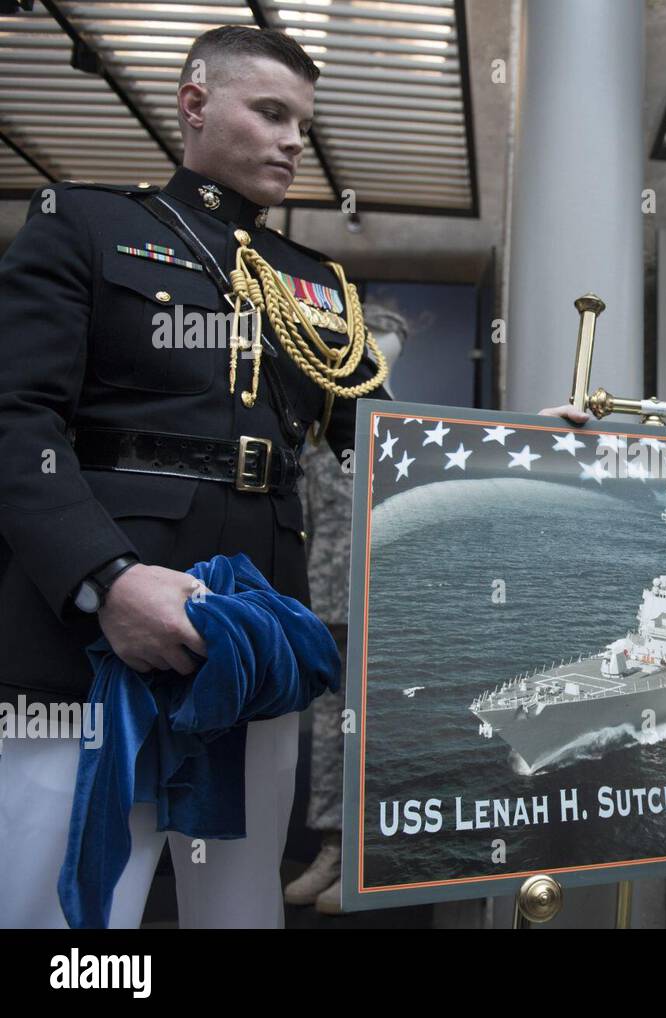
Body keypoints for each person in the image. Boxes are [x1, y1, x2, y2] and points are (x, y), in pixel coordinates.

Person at [0, 25, 388, 928]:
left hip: (257, 633)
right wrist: (107, 583)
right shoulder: (89, 224)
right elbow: (16, 418)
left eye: (304, 121)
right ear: (194, 103)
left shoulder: (314, 283)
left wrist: (542, 436)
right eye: (271, 112)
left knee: (239, 902)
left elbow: (382, 438)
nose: (296, 140)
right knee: (61, 898)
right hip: (88, 630)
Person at [286, 307, 405, 915]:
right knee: (330, 730)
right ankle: (332, 848)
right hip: (326, 600)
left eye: (390, 354)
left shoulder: (413, 435)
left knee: (381, 732)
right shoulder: (317, 426)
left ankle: (373, 856)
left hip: (386, 603)